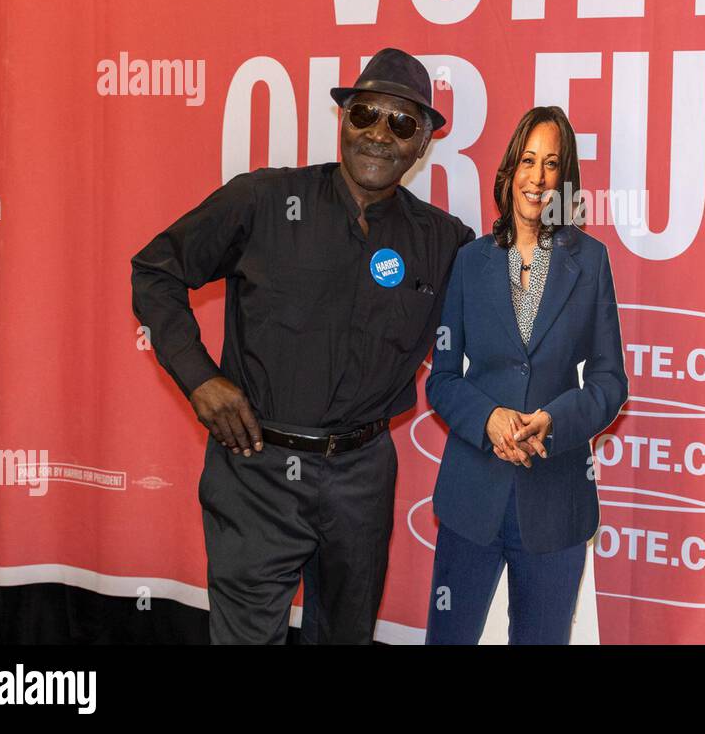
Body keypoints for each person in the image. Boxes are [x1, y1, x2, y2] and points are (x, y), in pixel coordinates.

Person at [131, 47, 473, 644]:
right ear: (342, 120)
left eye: (401, 124)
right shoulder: (262, 200)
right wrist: (197, 375)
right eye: (365, 114)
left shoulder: (444, 242)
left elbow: (505, 314)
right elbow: (156, 271)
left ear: (422, 145)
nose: (378, 135)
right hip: (256, 469)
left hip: (363, 478)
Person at [424, 106, 628, 644]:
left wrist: (553, 421)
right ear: (510, 170)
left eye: (552, 164)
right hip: (473, 494)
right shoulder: (470, 261)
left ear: (566, 179)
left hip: (556, 500)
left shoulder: (592, 262)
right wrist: (488, 418)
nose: (537, 178)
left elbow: (610, 382)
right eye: (528, 161)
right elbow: (441, 378)